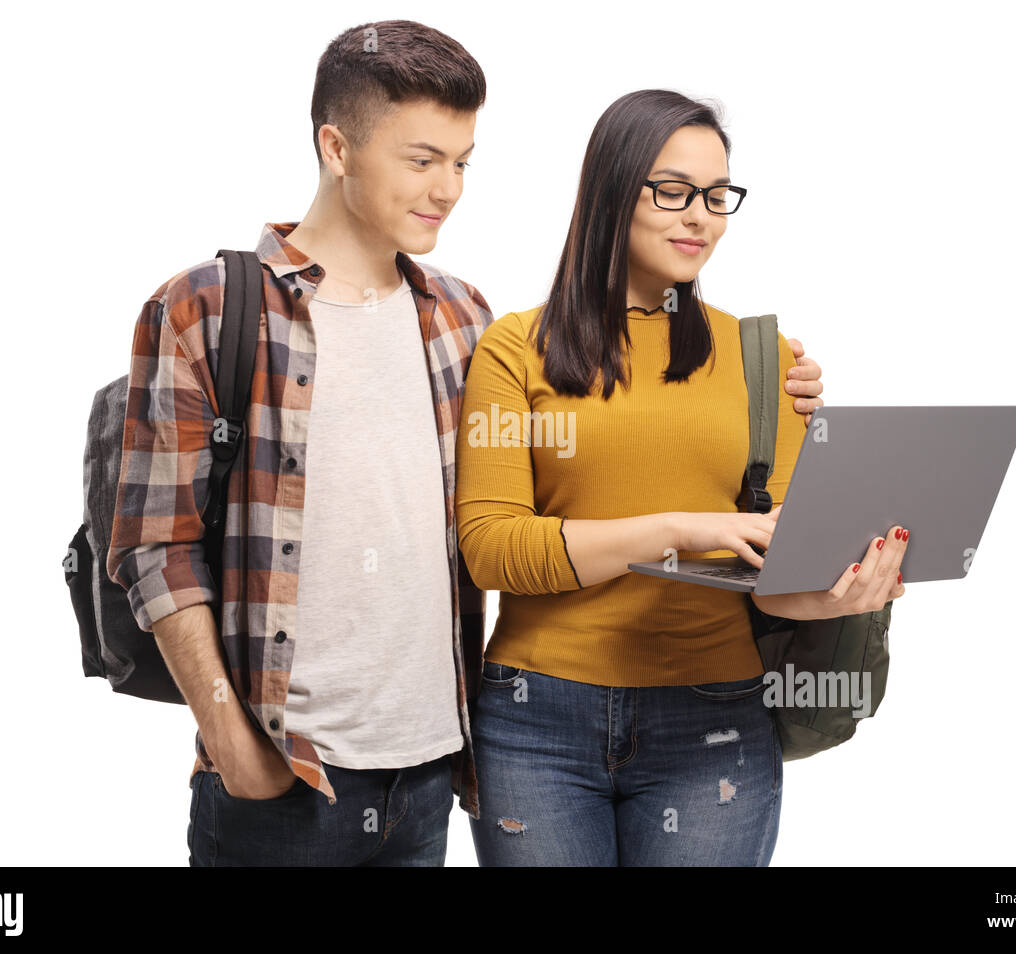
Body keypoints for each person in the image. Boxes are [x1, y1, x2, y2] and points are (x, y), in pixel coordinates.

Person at [107, 23, 827, 866]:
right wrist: (230, 740)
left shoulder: (460, 319)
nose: (447, 188)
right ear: (336, 147)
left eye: (463, 161)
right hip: (284, 765)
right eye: (422, 160)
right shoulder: (206, 307)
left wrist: (779, 398)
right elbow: (156, 546)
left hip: (431, 769)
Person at [455, 89, 905, 867]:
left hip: (714, 723)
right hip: (536, 722)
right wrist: (680, 529)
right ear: (609, 190)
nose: (700, 216)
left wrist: (839, 593)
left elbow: (773, 573)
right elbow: (492, 550)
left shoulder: (765, 360)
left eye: (717, 195)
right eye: (672, 191)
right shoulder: (515, 347)